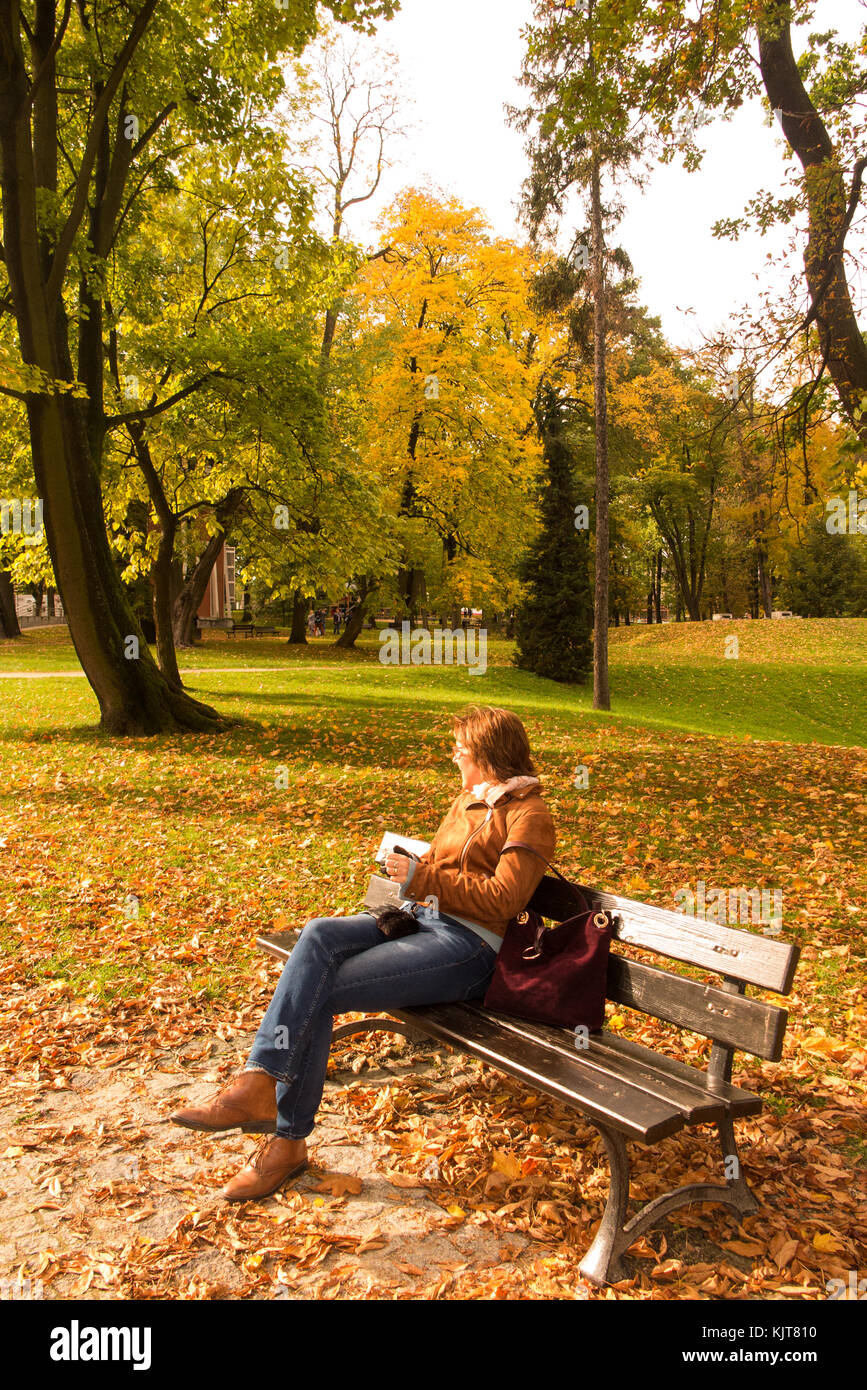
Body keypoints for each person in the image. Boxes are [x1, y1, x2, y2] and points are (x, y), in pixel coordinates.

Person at [171, 705, 557, 1201]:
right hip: (421, 919)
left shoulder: (530, 815)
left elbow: (504, 899)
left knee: (322, 990)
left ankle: (283, 1137)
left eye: (460, 750)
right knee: (317, 936)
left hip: (470, 948)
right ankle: (260, 1082)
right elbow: (443, 865)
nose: (453, 757)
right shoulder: (470, 800)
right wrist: (412, 866)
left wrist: (424, 878)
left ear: (486, 755)